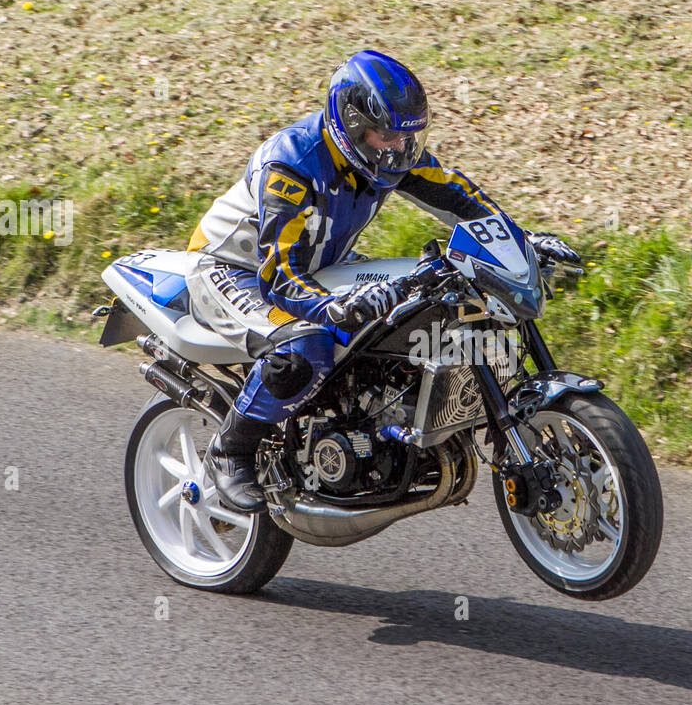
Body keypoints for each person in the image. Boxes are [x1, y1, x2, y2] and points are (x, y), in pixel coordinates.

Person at [185, 50, 579, 513]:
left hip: (317, 266)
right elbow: (280, 276)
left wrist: (520, 242)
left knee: (416, 305)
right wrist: (333, 308)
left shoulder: (386, 156)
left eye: (407, 137)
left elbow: (463, 198)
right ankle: (231, 451)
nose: (398, 148)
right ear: (350, 124)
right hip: (235, 271)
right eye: (387, 134)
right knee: (304, 344)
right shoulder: (291, 165)